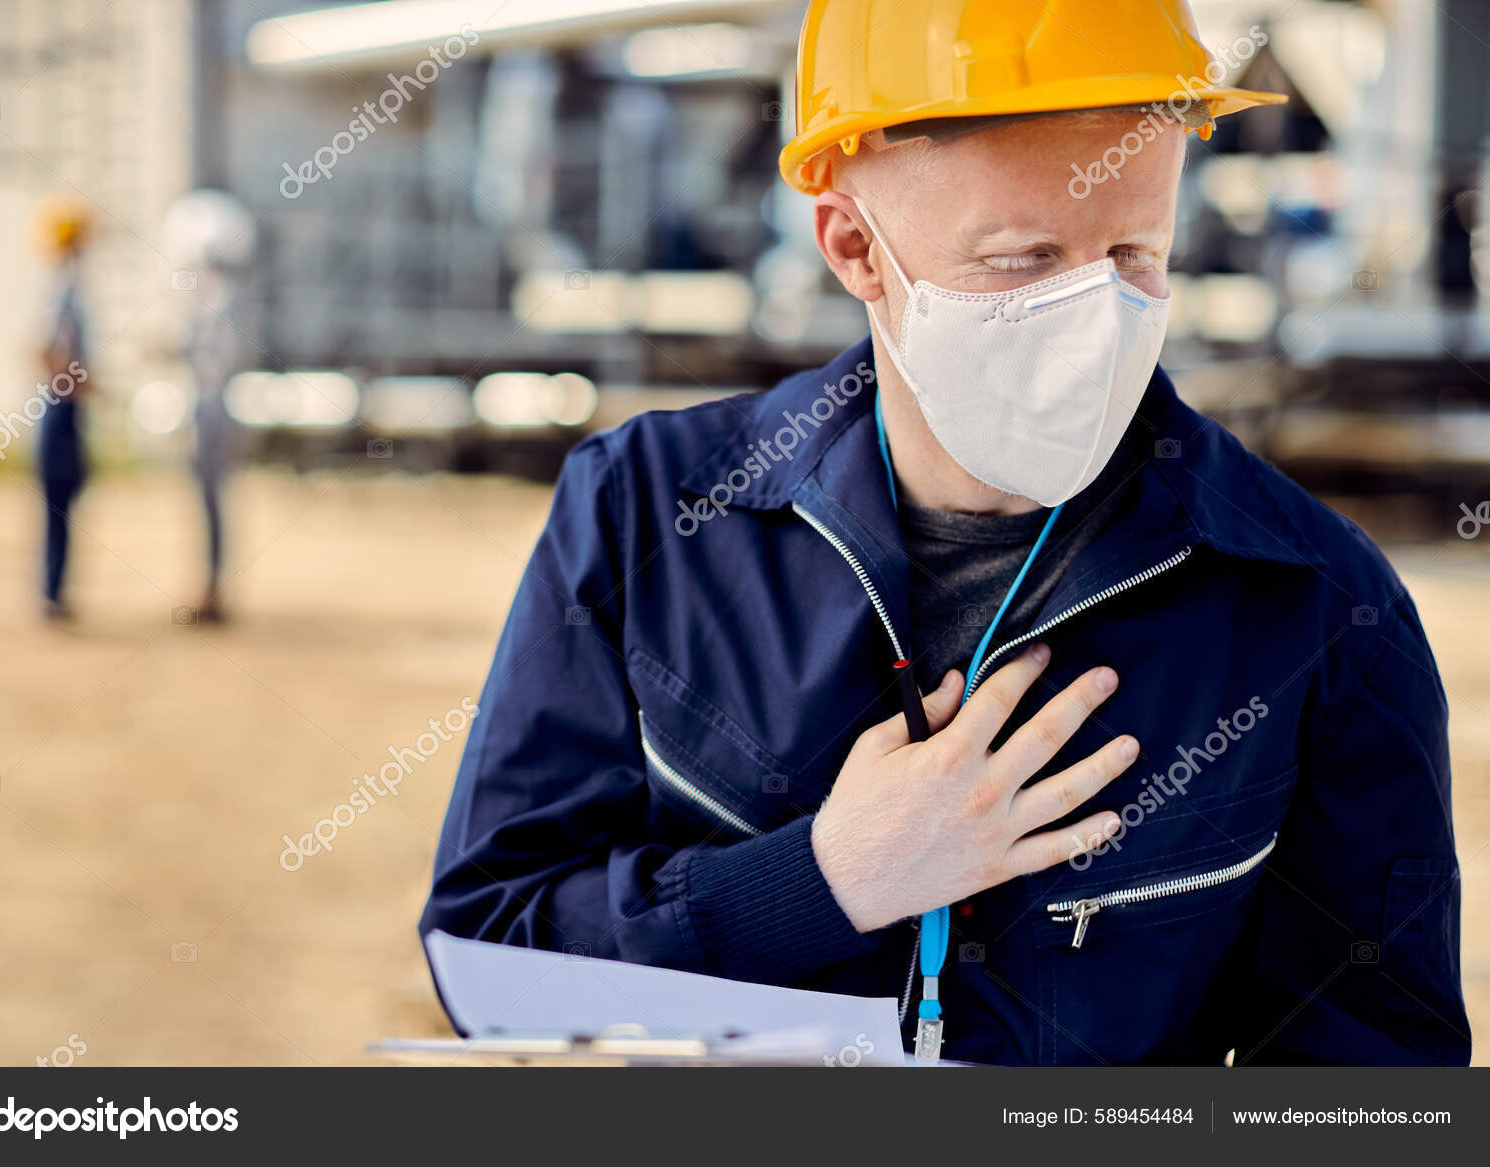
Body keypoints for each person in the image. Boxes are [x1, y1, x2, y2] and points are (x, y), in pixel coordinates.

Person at [420, 0, 1469, 1065]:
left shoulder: (1319, 605)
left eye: (1133, 253)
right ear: (851, 245)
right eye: (1021, 262)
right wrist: (821, 880)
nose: (1092, 313)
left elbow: (1375, 1078)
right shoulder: (645, 519)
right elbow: (489, 962)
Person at [162, 190, 259, 622]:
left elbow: (210, 355)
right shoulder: (231, 295)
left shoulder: (221, 298)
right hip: (214, 403)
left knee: (210, 499)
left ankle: (213, 588)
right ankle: (210, 584)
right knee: (207, 501)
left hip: (213, 406)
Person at [34, 200, 93, 621]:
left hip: (63, 408)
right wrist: (81, 384)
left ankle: (55, 592)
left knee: (66, 499)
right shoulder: (61, 288)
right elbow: (45, 350)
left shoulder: (61, 285)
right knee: (59, 503)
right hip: (59, 409)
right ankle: (51, 594)